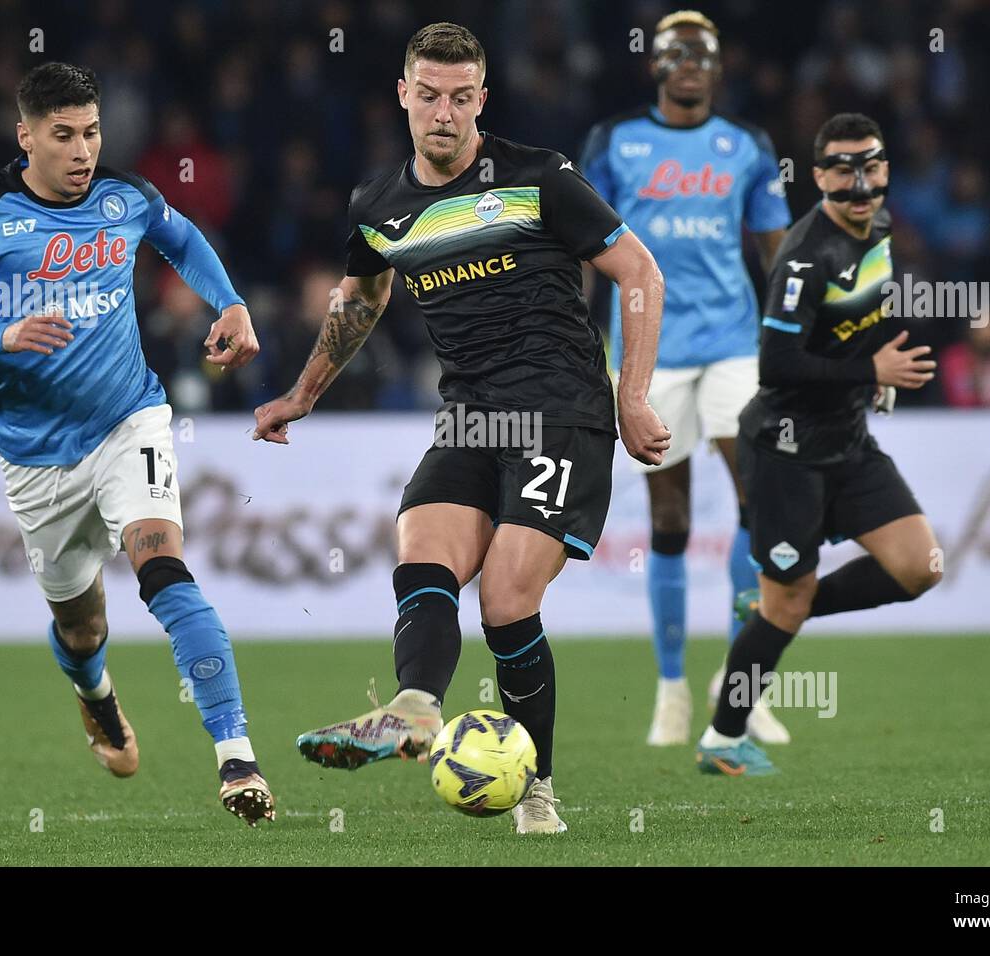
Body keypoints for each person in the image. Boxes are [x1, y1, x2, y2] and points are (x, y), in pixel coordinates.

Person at [252, 22, 669, 834]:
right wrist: (304, 392)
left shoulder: (538, 177)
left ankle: (538, 788)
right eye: (429, 95)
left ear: (482, 99)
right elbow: (361, 299)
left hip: (561, 412)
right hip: (471, 416)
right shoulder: (378, 205)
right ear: (404, 96)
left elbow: (638, 270)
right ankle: (413, 708)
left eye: (460, 97)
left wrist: (634, 395)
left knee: (508, 600)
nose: (444, 112)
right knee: (422, 550)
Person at [0, 63, 274, 825]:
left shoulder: (125, 198)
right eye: (64, 136)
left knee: (162, 560)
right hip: (36, 458)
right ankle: (96, 695)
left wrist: (232, 303)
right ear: (27, 137)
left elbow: (184, 240)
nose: (83, 151)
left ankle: (236, 758)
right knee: (83, 626)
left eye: (92, 132)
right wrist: (0, 333)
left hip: (128, 422)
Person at [698, 113, 941, 776]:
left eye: (870, 165)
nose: (858, 182)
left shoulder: (882, 228)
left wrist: (874, 371)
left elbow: (866, 310)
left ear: (886, 169)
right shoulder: (806, 256)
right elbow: (775, 364)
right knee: (787, 605)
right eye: (842, 168)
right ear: (818, 176)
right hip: (785, 452)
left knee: (921, 566)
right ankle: (722, 740)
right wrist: (871, 371)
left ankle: (776, 603)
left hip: (848, 439)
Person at [580, 10, 791, 746]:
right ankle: (670, 686)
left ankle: (740, 681)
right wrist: (578, 331)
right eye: (679, 53)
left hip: (735, 344)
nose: (693, 64)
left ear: (719, 68)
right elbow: (585, 243)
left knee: (759, 504)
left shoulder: (748, 147)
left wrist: (795, 339)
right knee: (668, 520)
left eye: (705, 53)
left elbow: (778, 252)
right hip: (650, 349)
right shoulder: (614, 143)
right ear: (656, 65)